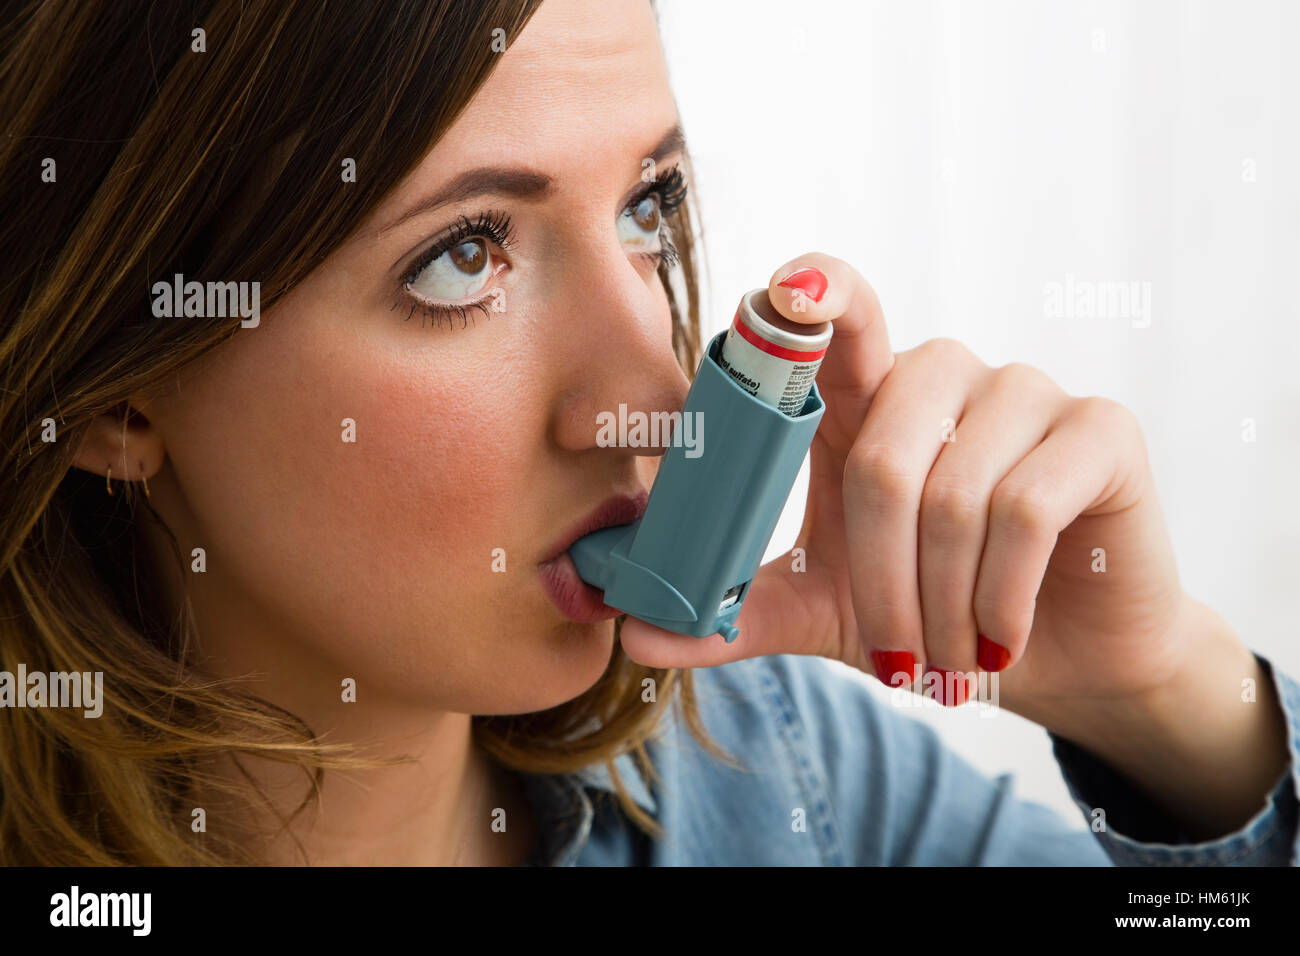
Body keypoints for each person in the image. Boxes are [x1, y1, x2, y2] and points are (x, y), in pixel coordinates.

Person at [1, 0, 1295, 866]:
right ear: (122, 391)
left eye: (649, 203)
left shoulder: (782, 778)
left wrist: (1161, 704)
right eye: (464, 259)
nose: (658, 395)